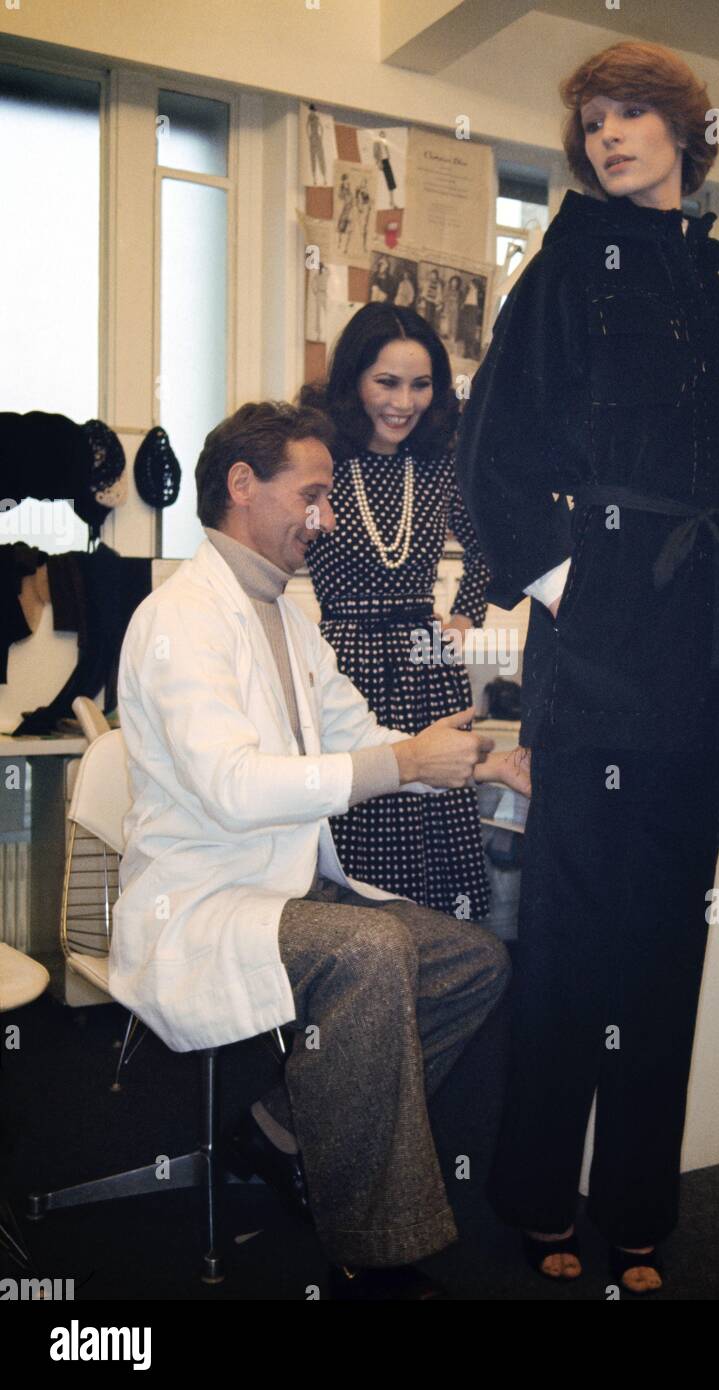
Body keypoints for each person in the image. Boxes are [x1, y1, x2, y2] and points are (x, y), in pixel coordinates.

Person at [455, 39, 719, 1294]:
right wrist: (572, 589)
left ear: (680, 132)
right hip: (602, 647)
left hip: (699, 661)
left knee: (667, 948)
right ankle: (539, 1193)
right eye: (591, 121)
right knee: (571, 940)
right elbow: (488, 453)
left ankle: (639, 1204)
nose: (606, 136)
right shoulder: (561, 268)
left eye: (630, 116)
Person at [110, 400, 530, 1300]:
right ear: (241, 488)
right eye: (313, 495)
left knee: (472, 960)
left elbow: (366, 740)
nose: (328, 518)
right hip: (201, 903)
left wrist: (483, 763)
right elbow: (234, 784)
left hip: (284, 890)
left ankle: (281, 1128)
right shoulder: (182, 620)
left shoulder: (288, 622)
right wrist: (399, 759)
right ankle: (374, 1251)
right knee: (372, 949)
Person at [299, 302, 495, 921]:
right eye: (386, 381)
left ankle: (445, 979)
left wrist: (463, 617)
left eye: (420, 384)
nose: (403, 402)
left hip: (425, 659)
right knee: (359, 817)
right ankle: (358, 974)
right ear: (354, 378)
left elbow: (491, 541)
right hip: (344, 662)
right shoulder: (322, 458)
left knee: (433, 820)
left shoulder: (441, 462)